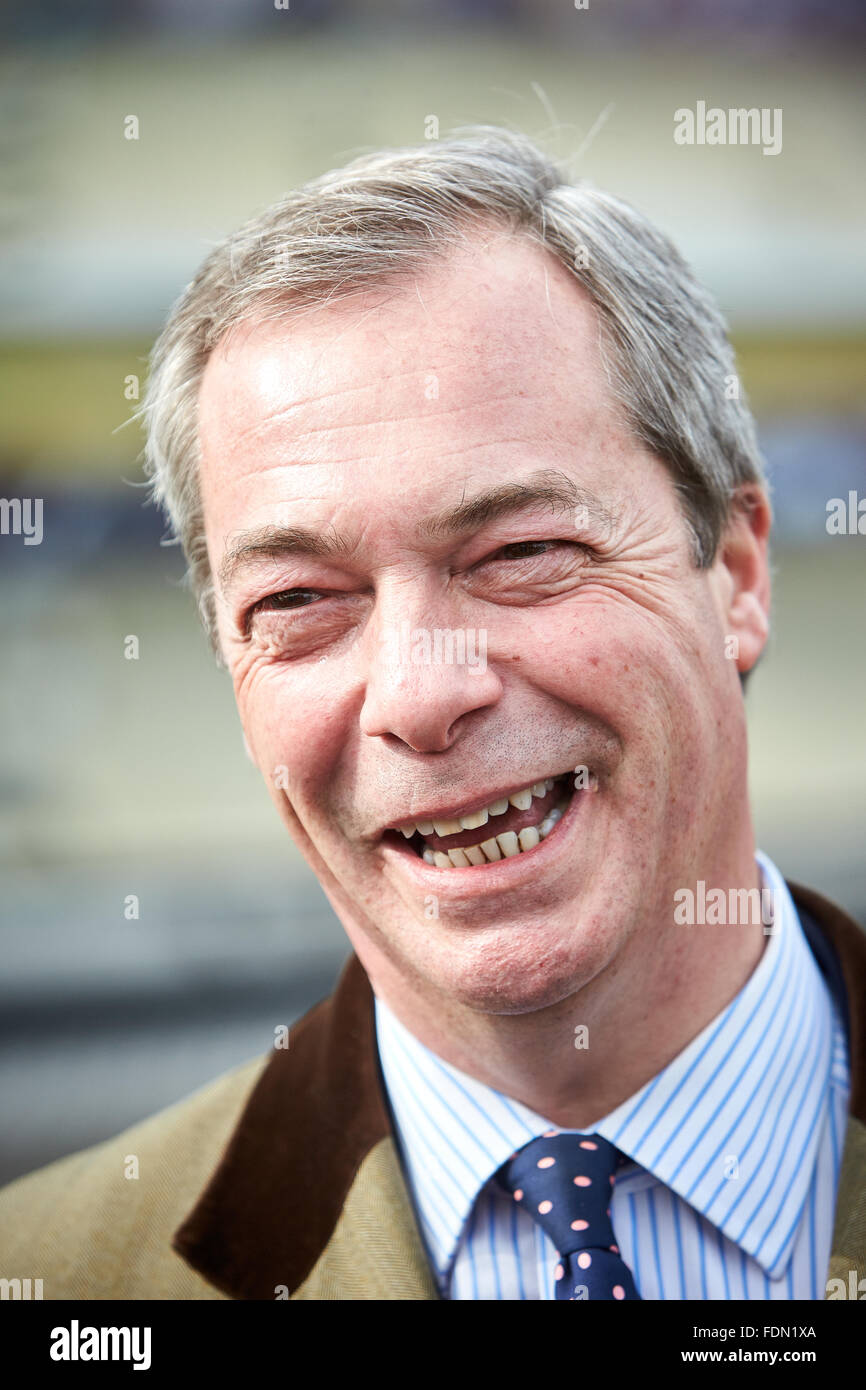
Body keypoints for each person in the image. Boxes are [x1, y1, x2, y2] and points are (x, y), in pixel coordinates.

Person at [1, 127, 863, 1301]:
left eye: (518, 552)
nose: (418, 694)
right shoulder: (55, 1277)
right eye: (298, 600)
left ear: (738, 575)